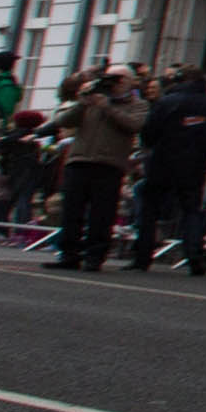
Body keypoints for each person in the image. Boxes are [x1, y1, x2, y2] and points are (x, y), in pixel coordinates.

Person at [128, 66, 206, 276]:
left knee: (150, 208)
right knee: (191, 209)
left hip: (162, 160)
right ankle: (194, 256)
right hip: (195, 162)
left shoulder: (167, 101)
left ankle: (142, 256)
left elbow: (149, 133)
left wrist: (153, 147)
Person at [50, 68, 143, 271]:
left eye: (118, 79)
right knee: (71, 211)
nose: (113, 83)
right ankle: (68, 254)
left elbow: (135, 125)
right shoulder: (91, 102)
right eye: (110, 79)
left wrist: (108, 107)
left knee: (102, 214)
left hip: (109, 164)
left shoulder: (137, 104)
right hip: (80, 159)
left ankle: (95, 256)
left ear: (129, 82)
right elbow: (62, 121)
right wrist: (82, 102)